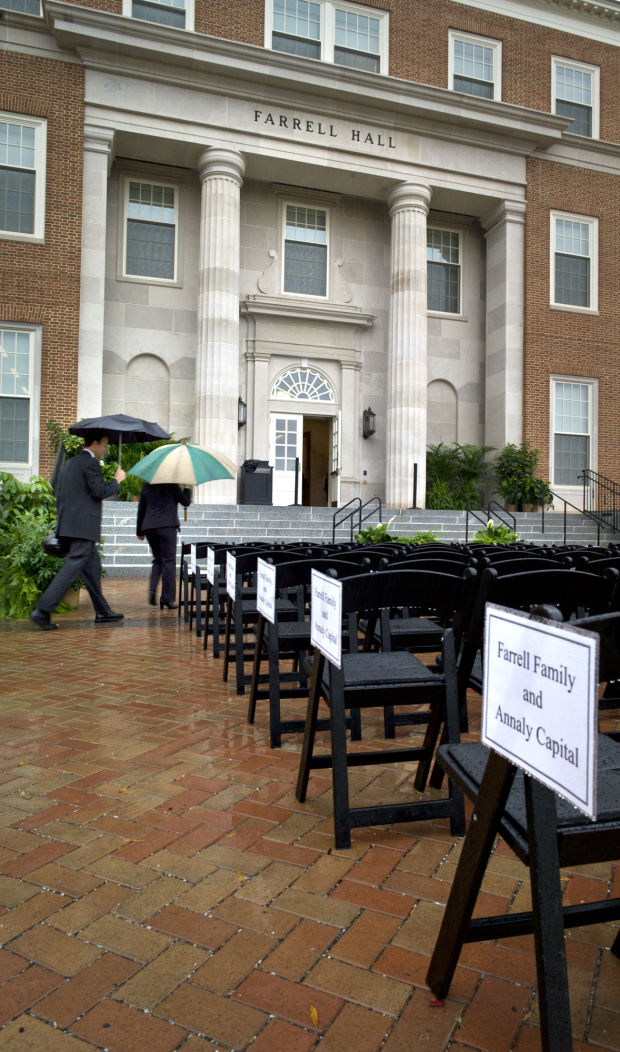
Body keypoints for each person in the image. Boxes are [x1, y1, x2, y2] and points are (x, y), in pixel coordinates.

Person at [30, 433, 126, 631]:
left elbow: (62, 494)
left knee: (93, 568)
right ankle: (42, 611)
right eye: (104, 445)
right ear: (94, 443)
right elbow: (99, 492)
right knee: (71, 569)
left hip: (72, 525)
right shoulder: (90, 463)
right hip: (83, 528)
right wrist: (116, 481)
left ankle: (103, 612)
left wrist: (63, 527)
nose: (106, 449)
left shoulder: (71, 463)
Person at [136, 482, 192, 609]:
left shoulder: (146, 485)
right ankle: (167, 598)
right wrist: (187, 488)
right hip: (167, 526)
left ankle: (152, 590)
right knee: (168, 561)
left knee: (158, 560)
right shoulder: (171, 484)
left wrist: (139, 531)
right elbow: (186, 502)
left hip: (149, 527)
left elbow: (141, 509)